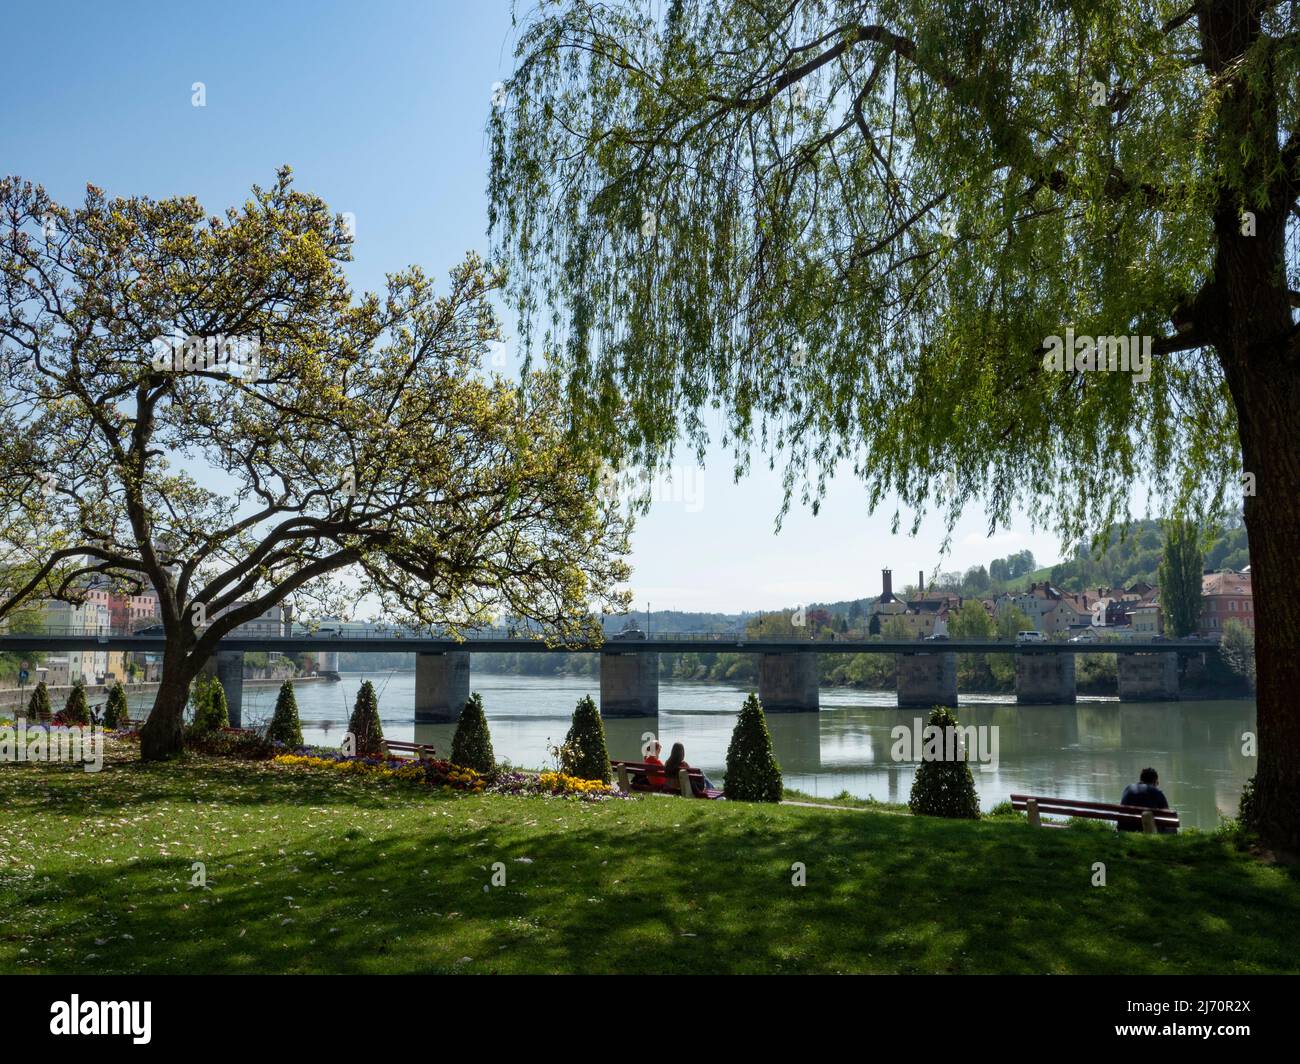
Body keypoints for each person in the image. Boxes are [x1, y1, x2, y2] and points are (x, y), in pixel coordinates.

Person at [1119, 767, 1175, 833]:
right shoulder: (1156, 792)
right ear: (1154, 781)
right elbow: (1166, 814)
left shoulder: (1128, 788)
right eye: (1157, 782)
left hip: (1125, 827)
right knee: (1172, 827)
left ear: (1141, 779)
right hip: (1145, 829)